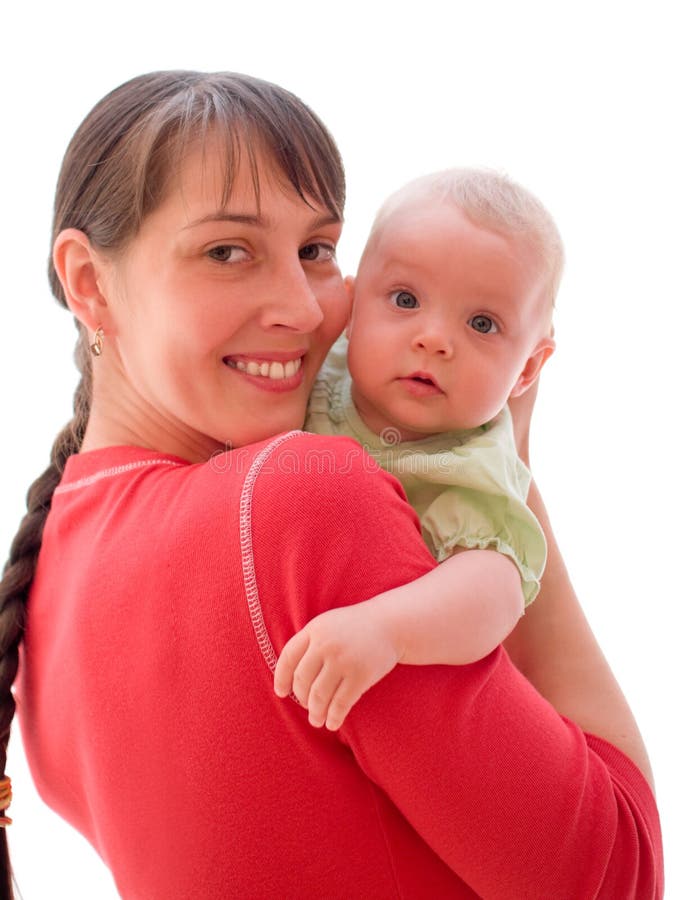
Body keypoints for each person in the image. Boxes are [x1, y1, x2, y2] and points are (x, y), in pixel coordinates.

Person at [0, 70, 663, 899]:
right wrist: (506, 469)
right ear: (90, 282)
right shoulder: (303, 498)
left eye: (316, 250)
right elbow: (619, 873)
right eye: (227, 251)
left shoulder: (42, 592)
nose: (305, 310)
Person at [275, 170, 558, 729]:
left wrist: (387, 629)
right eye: (405, 299)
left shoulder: (474, 465)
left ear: (527, 368)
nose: (434, 339)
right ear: (352, 310)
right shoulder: (313, 376)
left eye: (482, 323)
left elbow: (495, 594)